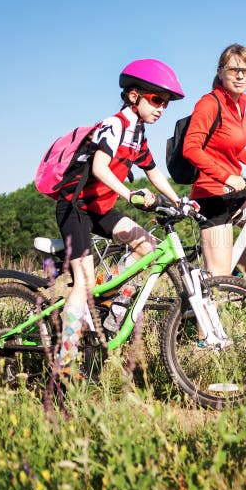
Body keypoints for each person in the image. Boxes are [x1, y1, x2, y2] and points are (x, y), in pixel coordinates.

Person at [55, 58, 185, 376]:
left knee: (150, 248)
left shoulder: (138, 136)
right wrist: (130, 195)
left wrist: (181, 201)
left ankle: (109, 296)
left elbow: (154, 173)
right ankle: (65, 362)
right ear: (133, 96)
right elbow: (100, 167)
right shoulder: (115, 125)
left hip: (101, 210)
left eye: (165, 103)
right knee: (83, 283)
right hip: (76, 208)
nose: (161, 108)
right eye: (156, 100)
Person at [183, 43, 246, 277]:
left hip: (236, 192)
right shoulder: (209, 103)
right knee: (216, 280)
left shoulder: (238, 107)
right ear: (219, 72)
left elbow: (234, 149)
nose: (239, 75)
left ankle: (238, 270)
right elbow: (190, 149)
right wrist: (226, 176)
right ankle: (192, 308)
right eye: (233, 69)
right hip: (212, 195)